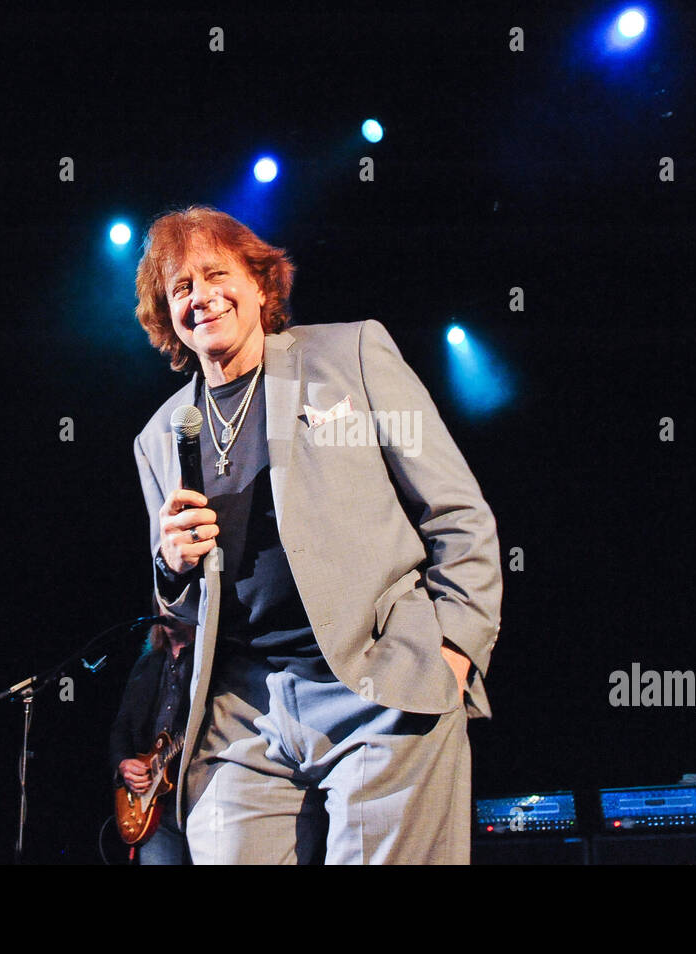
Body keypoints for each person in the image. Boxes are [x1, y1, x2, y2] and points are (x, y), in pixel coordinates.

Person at [130, 205, 502, 864]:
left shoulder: (348, 358)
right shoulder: (159, 436)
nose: (202, 297)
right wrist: (171, 568)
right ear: (165, 311)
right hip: (244, 711)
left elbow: (456, 511)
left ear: (259, 282)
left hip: (381, 680)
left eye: (216, 274)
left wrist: (454, 646)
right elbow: (182, 609)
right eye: (181, 287)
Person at [108, 616, 195, 865]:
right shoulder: (147, 663)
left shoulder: (208, 657)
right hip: (153, 800)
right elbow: (121, 728)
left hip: (199, 789)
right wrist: (123, 764)